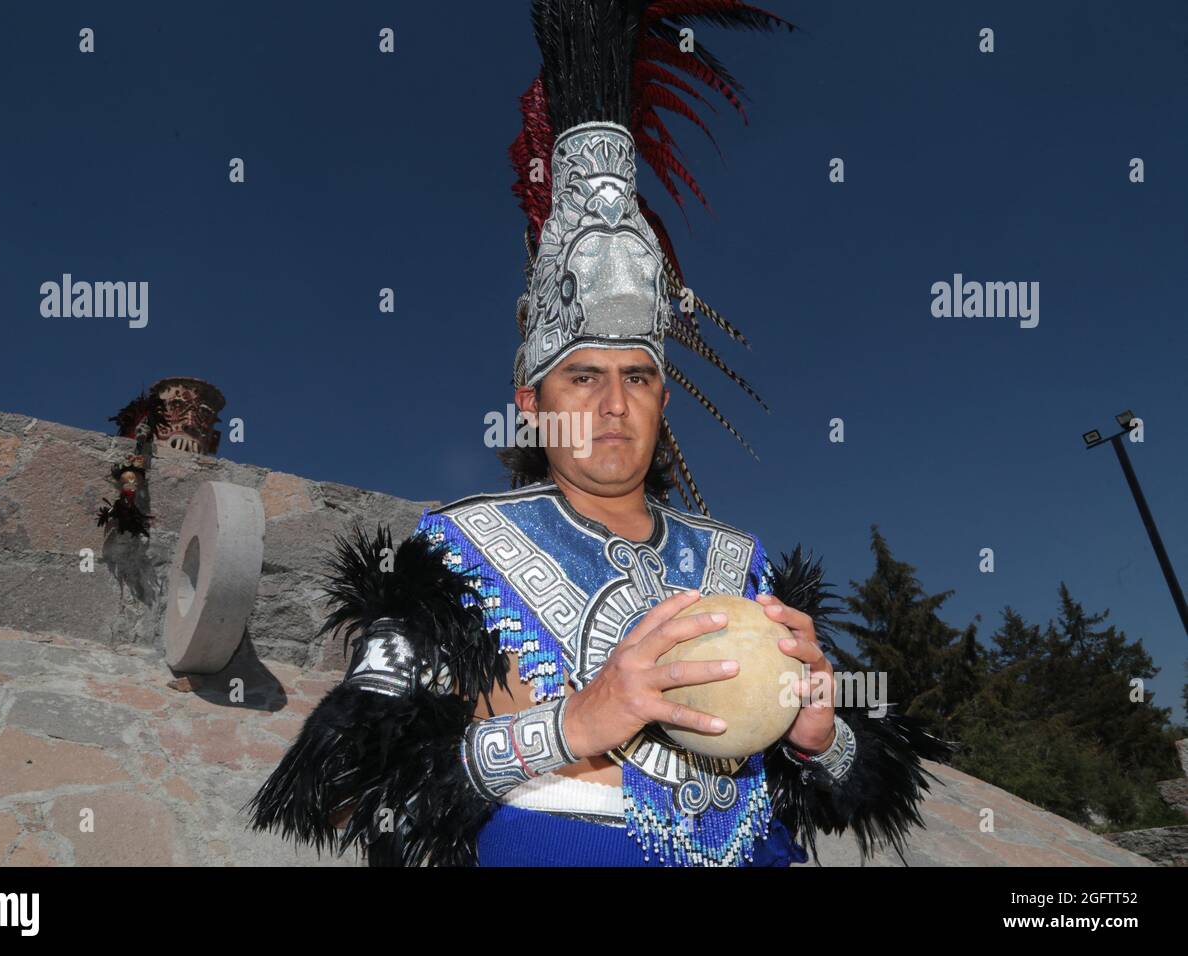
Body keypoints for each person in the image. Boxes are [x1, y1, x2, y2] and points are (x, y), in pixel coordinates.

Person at [248, 0, 951, 867]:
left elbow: (861, 793)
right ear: (533, 400)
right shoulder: (453, 555)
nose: (615, 402)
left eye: (639, 377)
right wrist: (574, 722)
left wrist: (818, 734)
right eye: (584, 376)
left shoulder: (740, 564)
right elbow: (354, 775)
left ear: (661, 400)